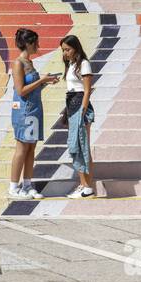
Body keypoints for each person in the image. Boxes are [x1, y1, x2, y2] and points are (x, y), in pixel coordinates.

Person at [9, 28, 58, 199]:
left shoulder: (31, 63)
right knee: (22, 148)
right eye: (36, 42)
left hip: (35, 109)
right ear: (28, 43)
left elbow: (33, 88)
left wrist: (46, 82)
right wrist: (42, 80)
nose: (38, 45)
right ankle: (13, 187)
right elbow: (21, 90)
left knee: (31, 149)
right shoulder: (18, 63)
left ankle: (27, 185)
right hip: (24, 111)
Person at [60, 34, 98, 197]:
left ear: (76, 48)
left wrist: (82, 109)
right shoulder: (71, 64)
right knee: (77, 145)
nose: (65, 53)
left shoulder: (83, 64)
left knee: (81, 145)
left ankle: (85, 185)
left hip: (80, 106)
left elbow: (87, 89)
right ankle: (85, 185)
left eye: (67, 49)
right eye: (63, 50)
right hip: (71, 104)